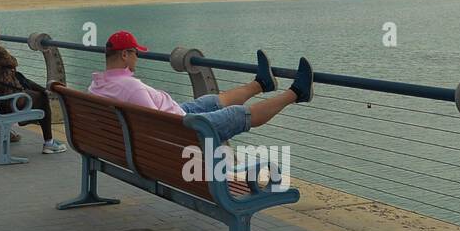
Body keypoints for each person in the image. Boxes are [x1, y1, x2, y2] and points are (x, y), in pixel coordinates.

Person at [87, 30, 313, 146]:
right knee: (236, 114)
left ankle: (261, 84)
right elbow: (155, 127)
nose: (138, 57)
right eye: (136, 53)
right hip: (184, 133)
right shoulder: (131, 88)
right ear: (125, 55)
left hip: (172, 120)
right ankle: (296, 93)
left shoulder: (97, 85)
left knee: (208, 102)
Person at [0, 17, 67, 154]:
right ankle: (48, 143)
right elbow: (14, 62)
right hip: (5, 102)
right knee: (42, 98)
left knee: (31, 87)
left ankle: (23, 120)